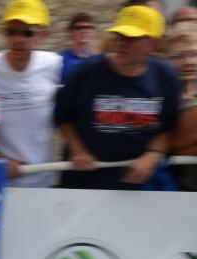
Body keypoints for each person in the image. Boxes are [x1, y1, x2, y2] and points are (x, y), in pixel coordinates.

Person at [54, 5, 179, 190]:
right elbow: (63, 116)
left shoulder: (165, 76)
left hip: (139, 184)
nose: (121, 42)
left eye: (131, 37)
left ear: (154, 44)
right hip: (86, 181)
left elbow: (168, 127)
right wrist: (78, 149)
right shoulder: (87, 71)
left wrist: (153, 154)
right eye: (118, 35)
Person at [0, 0, 62, 187]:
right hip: (2, 181)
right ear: (3, 33)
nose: (18, 39)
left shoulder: (54, 64)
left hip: (45, 180)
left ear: (43, 35)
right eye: (12, 32)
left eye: (27, 32)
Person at [166, 23, 197, 191]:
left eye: (194, 54)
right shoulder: (159, 94)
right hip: (167, 182)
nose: (188, 62)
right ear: (167, 60)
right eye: (179, 56)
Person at [60, 13, 96, 83]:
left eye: (88, 27)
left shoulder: (96, 61)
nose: (84, 31)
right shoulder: (61, 60)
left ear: (93, 32)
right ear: (71, 32)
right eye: (79, 28)